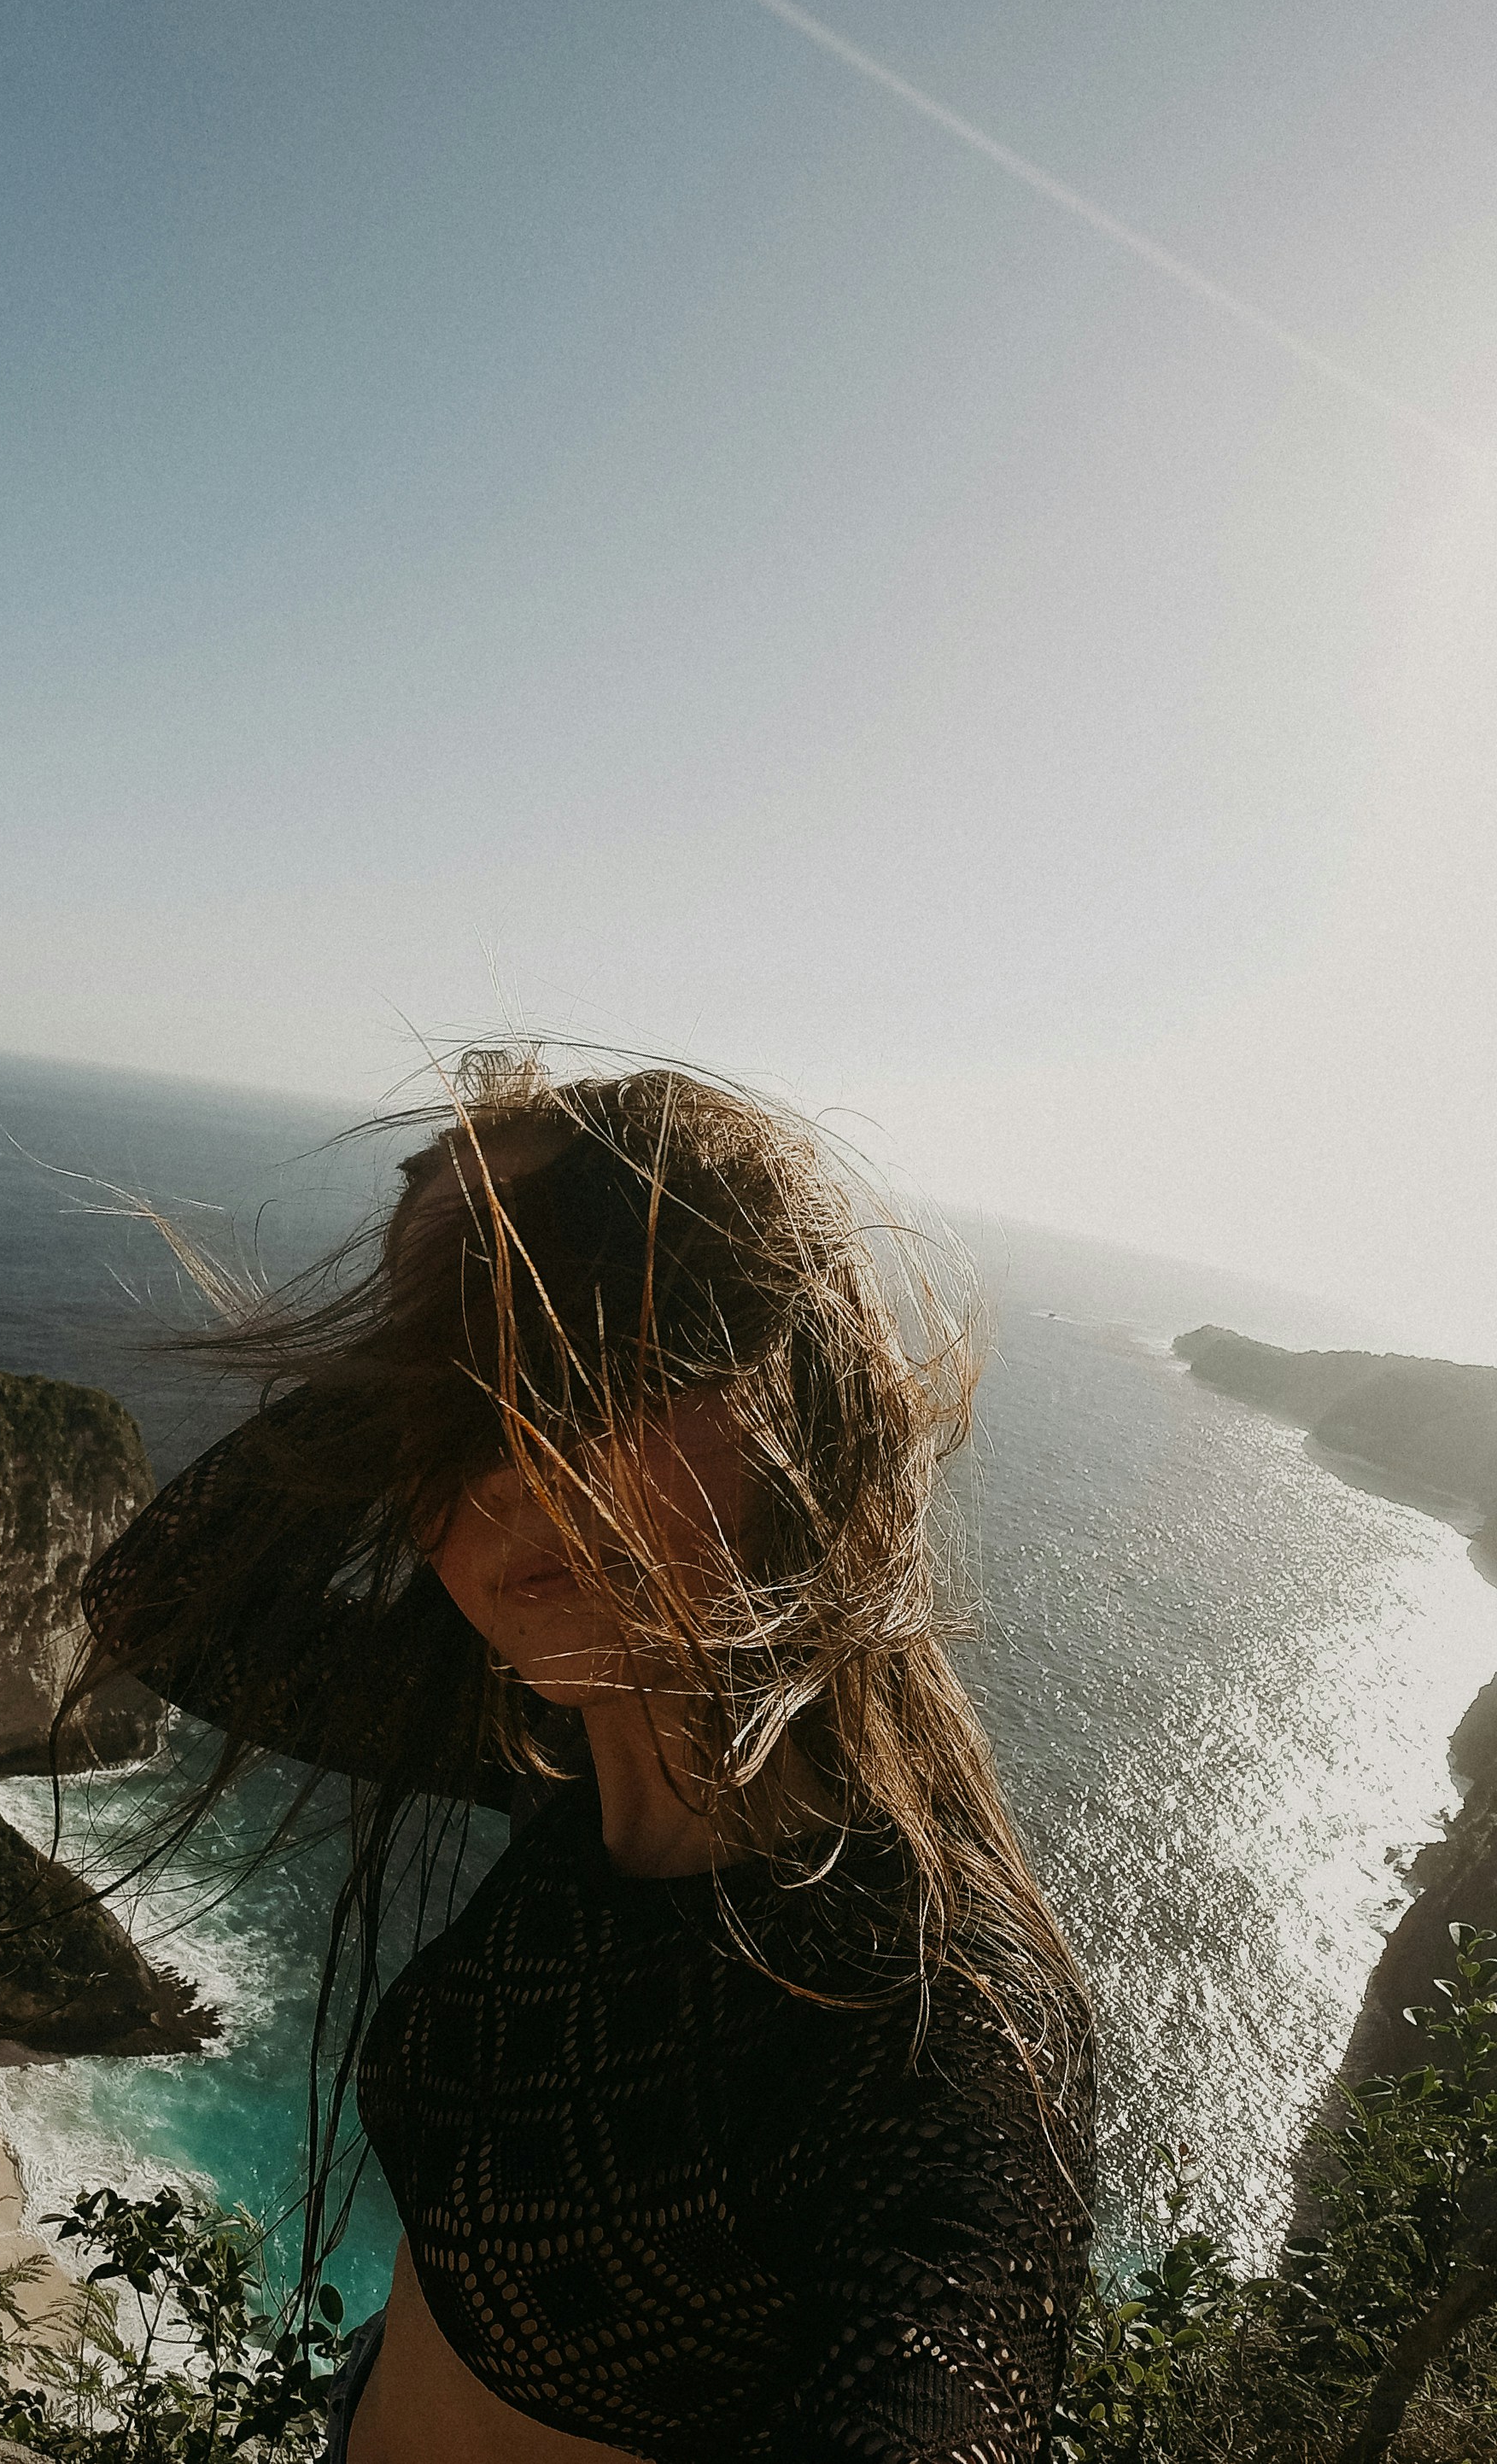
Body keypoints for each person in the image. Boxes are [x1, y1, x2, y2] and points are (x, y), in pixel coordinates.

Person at [75, 1054, 1094, 2461]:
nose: (500, 1460)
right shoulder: (566, 1768)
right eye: (445, 1394)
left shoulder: (931, 2022)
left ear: (789, 1384)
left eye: (584, 1358)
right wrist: (420, 1331)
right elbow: (165, 1602)